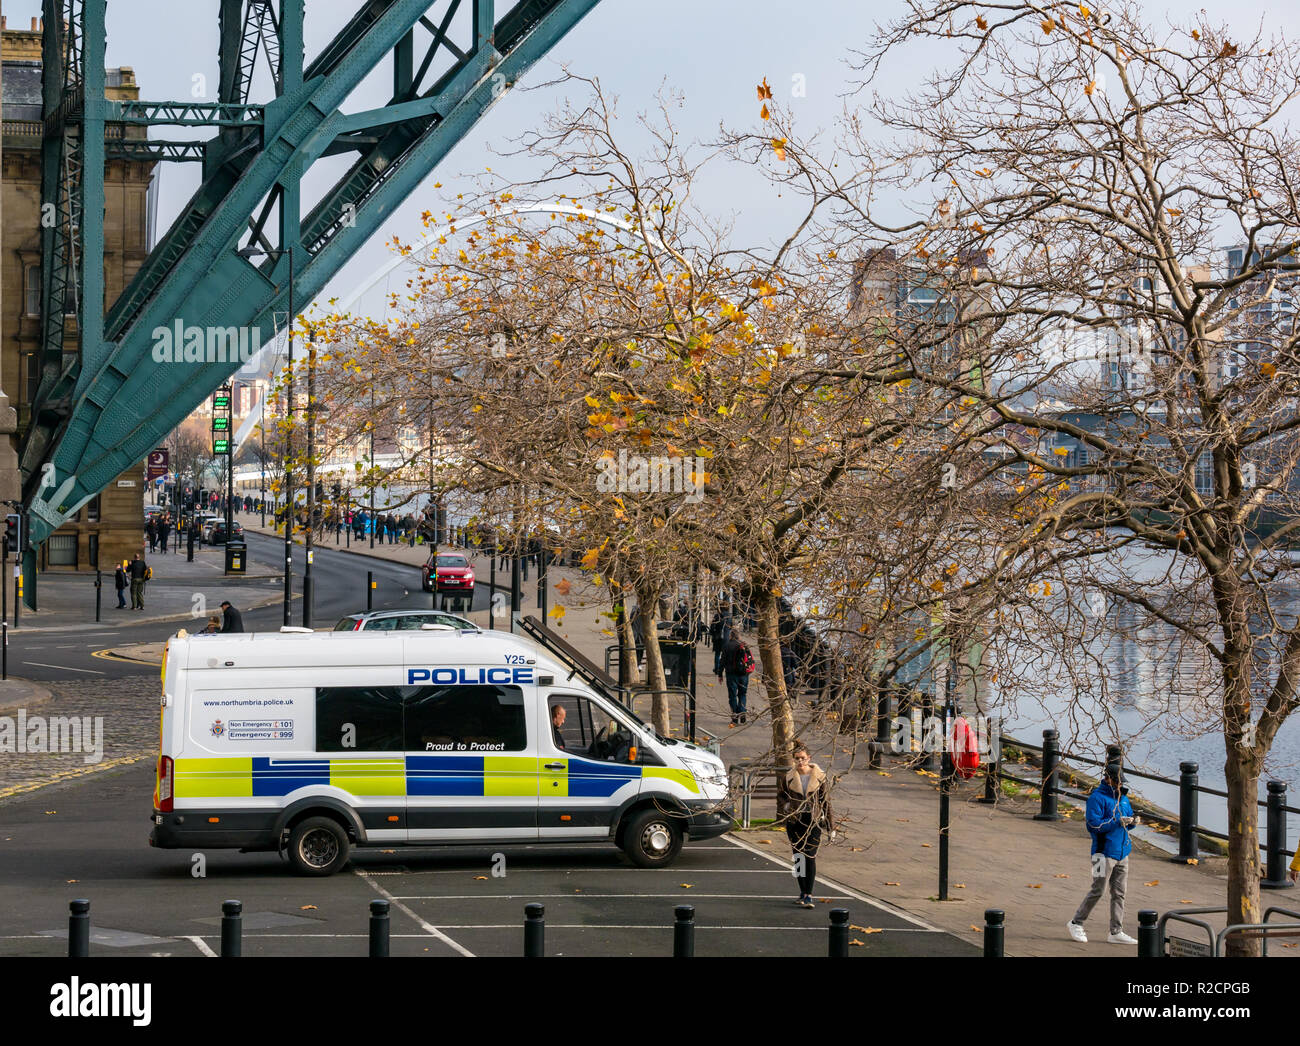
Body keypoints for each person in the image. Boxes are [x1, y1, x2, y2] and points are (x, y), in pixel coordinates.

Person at [1068, 763, 1138, 945]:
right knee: (1098, 890)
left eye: (1121, 781)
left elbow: (1127, 819)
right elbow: (1093, 826)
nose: (1119, 785)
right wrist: (1117, 821)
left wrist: (1132, 822)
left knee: (1119, 893)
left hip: (1122, 852)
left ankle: (1116, 931)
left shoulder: (1123, 798)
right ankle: (1076, 922)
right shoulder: (1096, 799)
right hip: (1101, 854)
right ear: (1107, 778)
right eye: (1116, 781)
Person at [777, 741, 836, 908]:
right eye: (796, 759)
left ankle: (809, 894)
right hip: (795, 820)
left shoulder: (819, 776)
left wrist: (832, 827)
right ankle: (802, 891)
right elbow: (781, 796)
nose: (799, 762)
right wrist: (787, 806)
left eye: (802, 758)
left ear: (809, 758)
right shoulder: (788, 777)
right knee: (798, 857)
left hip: (813, 821)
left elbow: (826, 802)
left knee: (809, 856)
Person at [722, 630, 752, 726]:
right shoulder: (744, 645)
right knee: (742, 694)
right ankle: (742, 713)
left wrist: (719, 673)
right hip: (743, 674)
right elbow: (750, 660)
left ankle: (734, 716)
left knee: (732, 695)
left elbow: (723, 660)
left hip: (731, 674)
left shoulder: (727, 645)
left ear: (730, 636)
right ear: (739, 636)